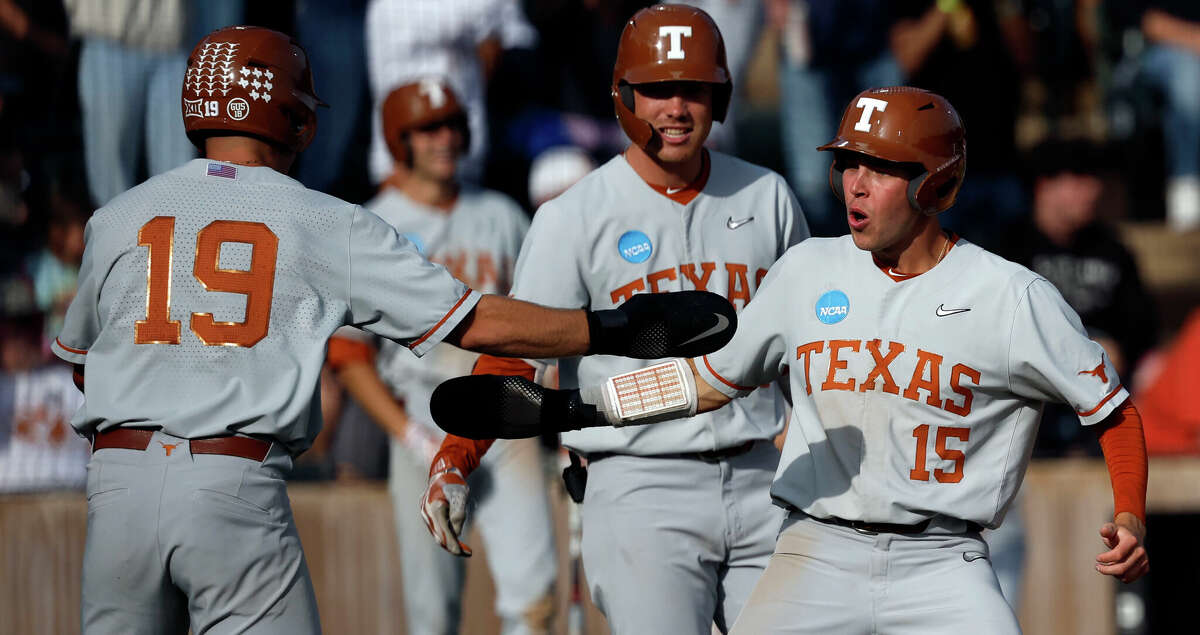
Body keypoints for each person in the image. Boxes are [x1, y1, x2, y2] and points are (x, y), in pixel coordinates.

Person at [50, 25, 737, 634]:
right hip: (232, 482)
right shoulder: (323, 218)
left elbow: (82, 363)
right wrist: (615, 327)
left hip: (116, 485)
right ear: (293, 118)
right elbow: (478, 322)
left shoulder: (118, 215)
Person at [433, 86, 1151, 634]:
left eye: (879, 168)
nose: (854, 184)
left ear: (937, 183)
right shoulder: (808, 269)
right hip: (816, 550)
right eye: (847, 165)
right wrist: (585, 408)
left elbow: (1112, 412)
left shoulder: (1011, 295)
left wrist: (1130, 514)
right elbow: (706, 382)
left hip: (945, 559)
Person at [420, 5, 810, 633]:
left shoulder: (768, 196)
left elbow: (810, 345)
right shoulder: (574, 216)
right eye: (656, 89)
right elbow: (519, 351)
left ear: (722, 96)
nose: (676, 108)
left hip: (763, 476)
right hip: (639, 483)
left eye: (694, 89)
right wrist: (455, 458)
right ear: (624, 96)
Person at [326, 77, 556, 635]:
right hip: (422, 419)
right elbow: (348, 354)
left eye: (453, 125)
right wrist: (408, 434)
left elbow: (541, 325)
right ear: (398, 139)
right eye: (427, 128)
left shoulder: (501, 214)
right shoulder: (371, 222)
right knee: (433, 612)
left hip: (505, 417)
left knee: (537, 598)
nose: (444, 138)